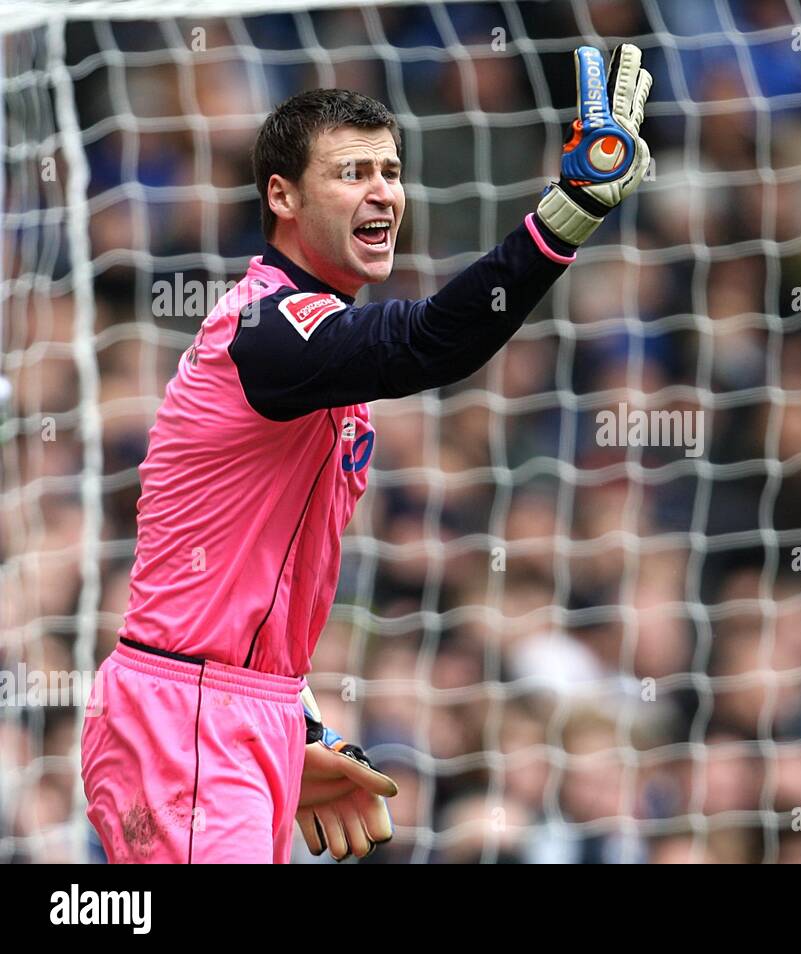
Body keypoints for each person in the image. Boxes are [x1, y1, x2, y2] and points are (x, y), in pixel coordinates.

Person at [80, 45, 653, 863]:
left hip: (243, 708)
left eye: (390, 170)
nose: (382, 189)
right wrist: (569, 210)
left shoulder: (321, 358)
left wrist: (293, 716)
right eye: (351, 172)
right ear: (281, 195)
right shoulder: (268, 330)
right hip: (188, 714)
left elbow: (249, 583)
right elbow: (431, 342)